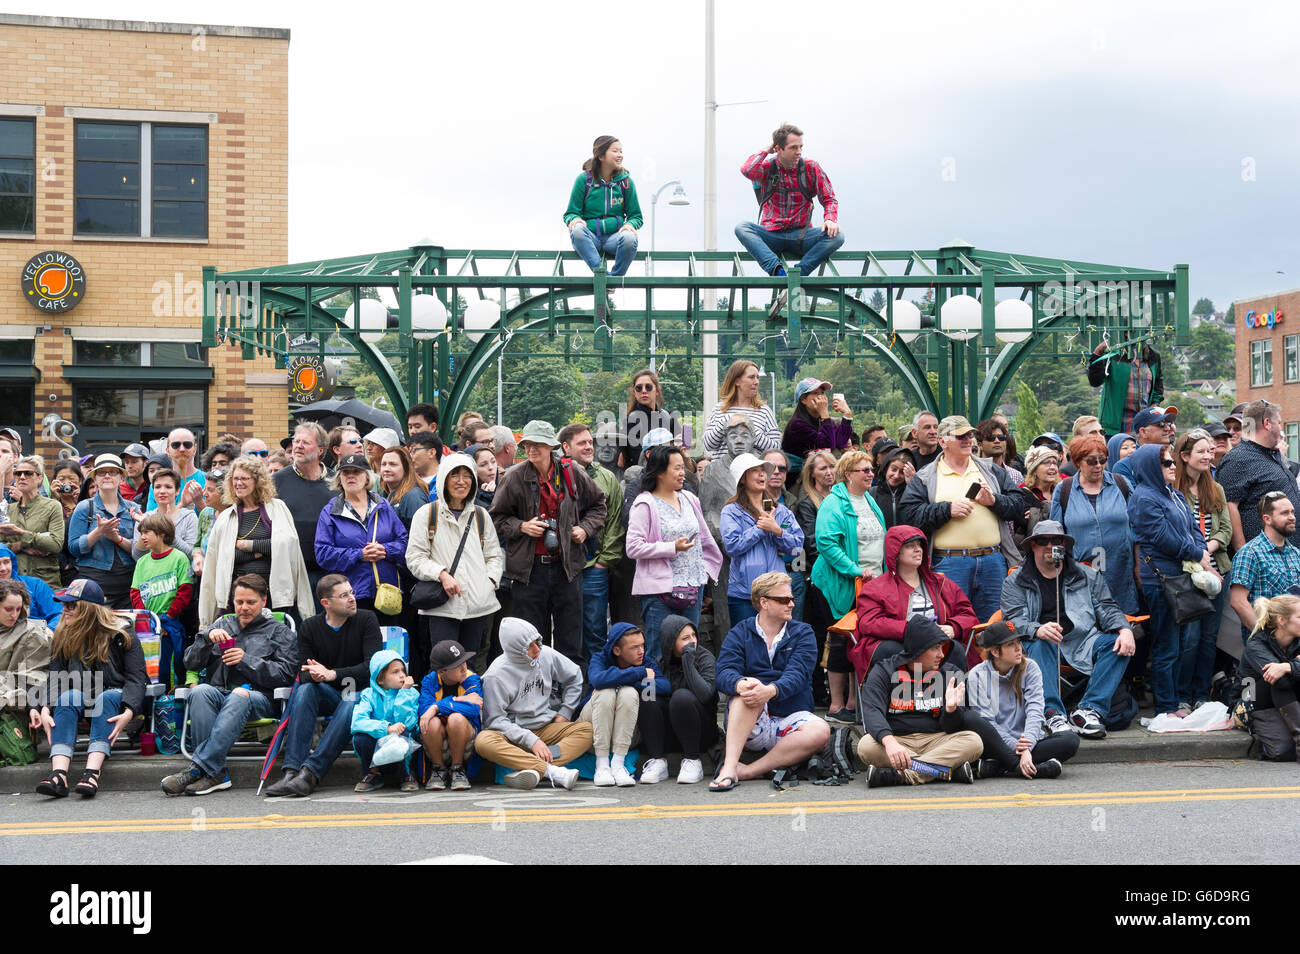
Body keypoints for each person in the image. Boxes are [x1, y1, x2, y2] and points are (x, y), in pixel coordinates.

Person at [162, 574, 297, 795]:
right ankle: (216, 772)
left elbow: (286, 675)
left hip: (259, 698)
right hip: (219, 693)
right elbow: (190, 663)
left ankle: (199, 768)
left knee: (238, 694)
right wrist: (205, 639)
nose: (244, 607)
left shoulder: (279, 631)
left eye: (251, 602)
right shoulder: (223, 624)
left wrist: (246, 660)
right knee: (201, 691)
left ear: (264, 601)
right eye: (239, 602)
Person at [488, 420, 606, 667]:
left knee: (571, 641)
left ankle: (570, 699)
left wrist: (584, 529)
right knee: (532, 641)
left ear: (550, 446)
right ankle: (535, 698)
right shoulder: (514, 477)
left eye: (538, 444)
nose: (531, 450)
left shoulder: (570, 470)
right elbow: (496, 518)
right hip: (530, 573)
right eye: (528, 444)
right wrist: (521, 526)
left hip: (567, 568)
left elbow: (598, 505)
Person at [1002, 520, 1136, 736]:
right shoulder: (1016, 580)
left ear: (1064, 546)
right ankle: (1052, 714)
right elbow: (1012, 620)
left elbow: (1106, 607)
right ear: (1032, 546)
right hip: (1039, 646)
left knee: (1117, 644)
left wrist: (1125, 629)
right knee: (1041, 642)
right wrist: (1037, 629)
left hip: (1082, 641)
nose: (1049, 545)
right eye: (1042, 541)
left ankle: (1087, 710)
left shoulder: (1086, 574)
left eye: (1056, 541)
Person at [899, 415, 1029, 622]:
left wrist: (994, 500)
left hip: (993, 561)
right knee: (951, 623)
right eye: (960, 436)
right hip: (949, 563)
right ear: (943, 441)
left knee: (993, 627)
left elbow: (1020, 505)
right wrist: (946, 510)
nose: (968, 439)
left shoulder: (991, 470)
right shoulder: (926, 476)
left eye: (969, 434)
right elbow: (909, 516)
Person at [265, 574, 383, 798]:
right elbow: (303, 673)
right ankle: (292, 772)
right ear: (326, 603)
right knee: (305, 689)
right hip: (326, 695)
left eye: (352, 593)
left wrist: (331, 674)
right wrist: (317, 677)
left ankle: (310, 773)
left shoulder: (366, 620)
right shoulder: (310, 627)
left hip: (361, 696)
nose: (352, 599)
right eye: (344, 595)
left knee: (352, 701)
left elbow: (372, 669)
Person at [710, 572, 829, 792]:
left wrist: (772, 690)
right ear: (764, 602)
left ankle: (747, 771)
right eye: (784, 600)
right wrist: (739, 684)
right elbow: (724, 671)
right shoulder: (741, 632)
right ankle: (729, 767)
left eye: (792, 598)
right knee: (747, 688)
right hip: (750, 722)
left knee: (821, 731)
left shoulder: (803, 632)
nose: (792, 604)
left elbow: (799, 674)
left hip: (791, 721)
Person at [35, 579, 146, 798]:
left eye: (71, 605)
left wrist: (129, 711)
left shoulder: (122, 634)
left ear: (88, 609)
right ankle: (58, 775)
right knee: (67, 698)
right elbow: (55, 677)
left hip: (114, 694)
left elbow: (136, 677)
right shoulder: (62, 634)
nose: (64, 609)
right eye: (64, 604)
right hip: (80, 693)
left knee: (106, 698)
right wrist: (45, 708)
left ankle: (92, 773)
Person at [1127, 445, 1211, 719]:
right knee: (1167, 645)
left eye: (1172, 461)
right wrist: (1198, 553)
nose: (1173, 466)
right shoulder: (1143, 498)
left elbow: (1192, 529)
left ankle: (1176, 701)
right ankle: (1166, 705)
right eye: (1165, 463)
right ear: (1151, 467)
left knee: (1183, 643)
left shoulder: (1173, 493)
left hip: (1182, 576)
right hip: (1162, 580)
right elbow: (1164, 537)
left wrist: (1202, 549)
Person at [406, 452, 503, 679]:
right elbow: (415, 557)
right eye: (455, 475)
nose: (461, 481)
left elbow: (494, 556)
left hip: (478, 604)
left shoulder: (481, 515)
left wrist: (488, 583)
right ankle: (439, 709)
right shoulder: (427, 514)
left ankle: (468, 710)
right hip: (442, 604)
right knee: (444, 664)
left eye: (467, 475)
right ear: (443, 480)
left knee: (470, 664)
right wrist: (441, 574)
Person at [856, 615, 981, 787]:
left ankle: (902, 775)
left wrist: (951, 710)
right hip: (898, 740)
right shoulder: (884, 670)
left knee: (974, 741)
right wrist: (890, 742)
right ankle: (943, 771)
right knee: (866, 745)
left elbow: (951, 727)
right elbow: (872, 711)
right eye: (935, 648)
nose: (941, 654)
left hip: (936, 740)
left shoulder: (950, 673)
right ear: (918, 650)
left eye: (942, 648)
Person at [625, 444, 723, 663]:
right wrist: (671, 548)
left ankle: (686, 695)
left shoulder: (690, 499)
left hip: (693, 588)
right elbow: (632, 547)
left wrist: (705, 571)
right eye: (677, 468)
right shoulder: (644, 503)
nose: (683, 473)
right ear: (660, 471)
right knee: (658, 650)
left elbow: (704, 539)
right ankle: (655, 695)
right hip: (660, 592)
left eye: (683, 467)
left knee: (689, 648)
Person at [853, 524, 980, 691]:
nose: (918, 550)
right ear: (896, 553)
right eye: (910, 546)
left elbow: (968, 614)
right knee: (893, 651)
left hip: (938, 641)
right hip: (898, 641)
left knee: (954, 649)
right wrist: (913, 631)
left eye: (920, 545)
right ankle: (906, 708)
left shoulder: (940, 583)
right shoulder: (876, 588)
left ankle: (952, 707)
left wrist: (953, 627)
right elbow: (869, 622)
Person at [811, 450, 888, 716]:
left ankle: (855, 703)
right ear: (848, 475)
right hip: (842, 583)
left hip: (872, 583)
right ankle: (836, 704)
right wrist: (855, 570)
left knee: (863, 640)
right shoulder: (833, 503)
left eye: (871, 469)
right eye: (864, 470)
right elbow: (827, 544)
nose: (870, 474)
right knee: (842, 638)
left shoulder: (869, 499)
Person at [474, 617, 592, 791]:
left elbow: (575, 675)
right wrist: (531, 740)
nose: (537, 649)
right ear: (515, 649)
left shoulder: (545, 654)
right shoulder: (496, 675)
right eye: (529, 646)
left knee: (586, 731)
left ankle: (529, 767)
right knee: (483, 741)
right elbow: (495, 721)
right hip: (512, 735)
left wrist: (565, 712)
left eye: (537, 642)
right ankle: (551, 771)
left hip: (545, 727)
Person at [200, 455, 314, 627]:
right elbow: (222, 560)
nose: (239, 483)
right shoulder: (225, 518)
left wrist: (248, 545)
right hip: (238, 601)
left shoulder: (277, 508)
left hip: (273, 597)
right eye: (235, 479)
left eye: (244, 478)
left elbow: (288, 548)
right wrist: (261, 552)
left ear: (258, 481)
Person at [735, 122, 843, 296]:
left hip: (801, 235)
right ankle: (778, 272)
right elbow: (747, 170)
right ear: (779, 149)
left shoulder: (811, 167)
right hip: (772, 233)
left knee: (837, 236)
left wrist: (830, 219)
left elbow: (829, 197)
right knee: (742, 227)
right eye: (793, 147)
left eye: (801, 147)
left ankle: (798, 274)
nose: (799, 152)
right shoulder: (767, 169)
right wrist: (766, 150)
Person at [964, 621, 1078, 779]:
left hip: (1030, 741)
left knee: (1070, 740)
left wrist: (1027, 746)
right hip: (998, 744)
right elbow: (988, 723)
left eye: (1019, 642)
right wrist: (1018, 747)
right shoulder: (977, 675)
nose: (1019, 648)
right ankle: (1029, 767)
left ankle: (997, 767)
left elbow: (1036, 710)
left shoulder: (1030, 667)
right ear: (996, 652)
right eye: (1011, 644)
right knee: (974, 724)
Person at [314, 453, 408, 628]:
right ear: (339, 478)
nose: (350, 476)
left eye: (356, 472)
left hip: (386, 593)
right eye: (345, 472)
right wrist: (359, 555)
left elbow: (404, 542)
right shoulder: (330, 512)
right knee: (356, 649)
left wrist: (386, 550)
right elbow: (322, 554)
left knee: (387, 648)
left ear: (366, 477)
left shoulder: (383, 506)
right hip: (351, 595)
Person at [1173, 429, 1231, 710]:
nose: (1209, 456)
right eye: (1202, 452)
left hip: (1218, 570)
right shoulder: (1173, 490)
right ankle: (1182, 695)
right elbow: (1177, 533)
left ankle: (1200, 695)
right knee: (1190, 638)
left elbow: (1225, 530)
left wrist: (1206, 550)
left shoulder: (1215, 488)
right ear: (1184, 456)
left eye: (1210, 451)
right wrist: (1197, 556)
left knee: (1209, 637)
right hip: (1187, 574)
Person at [559, 423, 625, 669]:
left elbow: (616, 522)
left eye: (590, 442)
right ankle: (569, 685)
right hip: (562, 566)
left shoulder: (606, 478)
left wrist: (603, 561)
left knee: (595, 628)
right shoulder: (555, 475)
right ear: (566, 447)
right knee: (566, 627)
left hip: (594, 566)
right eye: (582, 443)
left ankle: (595, 684)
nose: (589, 447)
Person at [1051, 435, 1138, 616]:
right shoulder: (1064, 489)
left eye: (1102, 459)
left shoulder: (1121, 484)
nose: (1098, 465)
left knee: (1124, 628)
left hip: (1121, 573)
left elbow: (1138, 526)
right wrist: (1056, 572)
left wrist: (1138, 565)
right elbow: (1055, 535)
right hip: (1080, 576)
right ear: (1077, 462)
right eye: (1091, 461)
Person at [720, 454, 804, 625]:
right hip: (744, 594)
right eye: (754, 471)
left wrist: (777, 531)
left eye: (763, 471)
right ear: (742, 479)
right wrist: (760, 529)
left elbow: (797, 546)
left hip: (777, 593)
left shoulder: (781, 511)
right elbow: (732, 546)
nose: (762, 474)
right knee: (748, 645)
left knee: (778, 645)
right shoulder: (731, 511)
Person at [581, 622, 666, 787]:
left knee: (628, 692)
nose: (641, 651)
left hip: (627, 738)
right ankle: (602, 765)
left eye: (642, 645)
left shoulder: (645, 661)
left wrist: (626, 683)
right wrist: (638, 674)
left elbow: (664, 686)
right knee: (605, 692)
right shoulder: (600, 658)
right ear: (617, 650)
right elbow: (598, 679)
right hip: (590, 735)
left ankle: (618, 764)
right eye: (635, 647)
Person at [641, 615, 718, 785]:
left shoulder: (705, 659)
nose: (692, 642)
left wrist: (688, 663)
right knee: (648, 696)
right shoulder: (661, 662)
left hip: (701, 733)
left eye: (694, 635)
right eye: (685, 638)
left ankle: (693, 761)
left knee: (681, 697)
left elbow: (705, 694)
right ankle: (658, 761)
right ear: (670, 643)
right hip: (671, 732)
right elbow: (647, 694)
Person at [1217, 399, 1300, 550]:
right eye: (1279, 423)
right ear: (1267, 423)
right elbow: (1229, 506)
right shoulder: (1238, 458)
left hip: (1289, 552)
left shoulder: (1272, 454)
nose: (1281, 428)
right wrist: (1243, 552)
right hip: (1264, 557)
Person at [129, 512, 193, 690]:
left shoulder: (179, 558)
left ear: (162, 534)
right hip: (148, 627)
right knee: (148, 672)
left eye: (146, 532)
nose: (142, 537)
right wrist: (148, 620)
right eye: (141, 532)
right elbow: (135, 593)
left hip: (170, 626)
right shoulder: (142, 562)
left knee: (169, 669)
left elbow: (185, 591)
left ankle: (170, 710)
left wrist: (167, 618)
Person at [67, 454, 140, 610]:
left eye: (113, 472)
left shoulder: (134, 508)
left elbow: (141, 549)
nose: (107, 476)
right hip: (93, 585)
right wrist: (98, 532)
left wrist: (116, 538)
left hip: (128, 584)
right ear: (95, 478)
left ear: (122, 477)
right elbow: (73, 548)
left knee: (125, 632)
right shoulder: (84, 507)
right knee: (94, 632)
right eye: (102, 472)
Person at [563, 135, 642, 277]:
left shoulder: (626, 182)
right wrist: (574, 219)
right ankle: (602, 275)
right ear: (601, 156)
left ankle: (614, 280)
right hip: (591, 237)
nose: (620, 155)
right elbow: (570, 213)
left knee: (630, 238)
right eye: (615, 151)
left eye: (621, 151)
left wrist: (630, 224)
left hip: (615, 237)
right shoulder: (584, 180)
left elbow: (636, 216)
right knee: (578, 230)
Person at [794, 449, 836, 706]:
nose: (829, 472)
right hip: (820, 576)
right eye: (822, 468)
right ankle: (818, 691)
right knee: (819, 633)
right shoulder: (807, 504)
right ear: (812, 474)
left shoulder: (842, 498)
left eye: (832, 467)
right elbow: (811, 542)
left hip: (843, 575)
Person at [272, 422, 335, 591]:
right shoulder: (276, 481)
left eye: (305, 442)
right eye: (296, 441)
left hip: (330, 571)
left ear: (320, 450)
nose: (298, 446)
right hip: (291, 571)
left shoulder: (337, 481)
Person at [350, 649, 420, 792]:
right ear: (380, 679)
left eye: (403, 671)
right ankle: (373, 774)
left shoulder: (411, 693)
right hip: (378, 749)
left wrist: (404, 693)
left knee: (405, 730)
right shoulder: (368, 694)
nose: (402, 675)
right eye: (395, 672)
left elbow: (408, 722)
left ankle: (406, 774)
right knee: (360, 737)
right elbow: (357, 721)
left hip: (403, 749)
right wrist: (386, 728)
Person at [1229, 492, 1300, 634]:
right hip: (1266, 646)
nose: (1292, 517)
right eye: (1285, 513)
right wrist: (1266, 640)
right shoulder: (1250, 553)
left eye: (1292, 512)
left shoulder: (1296, 554)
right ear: (1267, 519)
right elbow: (1238, 602)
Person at [1240, 594, 1300, 760]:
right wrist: (1295, 665)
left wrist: (1287, 666)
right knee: (1283, 752)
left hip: (1284, 698)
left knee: (1285, 677)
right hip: (1250, 698)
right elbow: (1279, 680)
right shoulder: (1256, 644)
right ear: (1282, 621)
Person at [418, 639, 483, 791]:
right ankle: (438, 769)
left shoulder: (471, 678)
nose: (463, 667)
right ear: (442, 672)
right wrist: (457, 700)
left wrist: (437, 706)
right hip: (436, 742)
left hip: (465, 741)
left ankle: (457, 769)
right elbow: (424, 712)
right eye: (457, 665)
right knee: (431, 722)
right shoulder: (429, 681)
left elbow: (474, 709)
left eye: (464, 661)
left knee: (456, 719)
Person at [0, 579, 50, 766]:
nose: (14, 614)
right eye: (8, 609)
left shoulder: (32, 633)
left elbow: (33, 680)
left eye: (18, 609)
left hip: (14, 711)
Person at [0, 456, 64, 588]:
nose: (22, 477)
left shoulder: (52, 506)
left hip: (45, 581)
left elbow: (55, 544)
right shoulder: (8, 509)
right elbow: (1, 546)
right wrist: (20, 546)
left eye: (28, 473)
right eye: (18, 473)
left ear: (39, 478)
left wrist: (21, 533)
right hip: (14, 584)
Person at [703, 359, 781, 460]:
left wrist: (750, 429)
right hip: (722, 474)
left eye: (757, 377)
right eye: (751, 377)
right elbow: (708, 445)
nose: (756, 382)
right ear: (737, 381)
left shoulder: (764, 411)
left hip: (753, 473)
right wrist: (728, 420)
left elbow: (776, 449)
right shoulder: (719, 409)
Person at [1088, 338, 1164, 436]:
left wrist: (1155, 404)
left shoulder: (1153, 357)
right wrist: (1097, 353)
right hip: (1115, 426)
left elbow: (1158, 384)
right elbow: (1095, 381)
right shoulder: (1114, 355)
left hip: (1143, 427)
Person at [781, 377, 855, 461]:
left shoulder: (822, 421)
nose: (821, 397)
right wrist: (824, 414)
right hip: (801, 473)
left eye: (822, 393)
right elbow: (826, 448)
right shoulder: (797, 425)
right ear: (804, 400)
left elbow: (840, 443)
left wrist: (847, 415)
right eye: (816, 393)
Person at [619, 369, 680, 469]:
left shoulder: (670, 417)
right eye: (639, 388)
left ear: (657, 391)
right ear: (634, 393)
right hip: (643, 476)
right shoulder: (630, 421)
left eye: (648, 387)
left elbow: (680, 450)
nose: (643, 391)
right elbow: (637, 456)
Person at [134, 468, 198, 558]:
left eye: (168, 487)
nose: (162, 491)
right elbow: (137, 556)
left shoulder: (189, 517)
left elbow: (191, 554)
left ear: (177, 491)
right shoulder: (144, 518)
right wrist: (145, 529)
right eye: (157, 487)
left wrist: (167, 529)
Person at [1111, 405, 1177, 485]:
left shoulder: (1173, 458)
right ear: (1143, 432)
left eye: (1168, 423)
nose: (1168, 428)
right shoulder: (1125, 466)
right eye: (1161, 424)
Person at [0, 544, 61, 629]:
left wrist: (47, 633)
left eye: (6, 562)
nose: (3, 568)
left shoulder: (35, 585)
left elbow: (58, 615)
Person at [146, 427, 205, 512]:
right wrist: (182, 504)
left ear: (194, 450)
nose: (181, 449)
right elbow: (152, 521)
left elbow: (214, 522)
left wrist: (199, 502)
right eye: (175, 445)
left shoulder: (207, 480)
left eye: (187, 445)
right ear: (168, 451)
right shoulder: (158, 484)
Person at [1015, 445, 1061, 551]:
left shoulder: (1061, 493)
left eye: (1054, 463)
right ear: (1034, 470)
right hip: (1034, 551)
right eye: (1046, 463)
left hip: (1058, 548)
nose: (1053, 467)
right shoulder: (1022, 495)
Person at [50, 460, 84, 586]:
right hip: (58, 567)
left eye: (71, 478)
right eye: (61, 479)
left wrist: (80, 500)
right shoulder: (50, 504)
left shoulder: (87, 504)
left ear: (80, 480)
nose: (66, 483)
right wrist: (54, 498)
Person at [378, 447, 429, 527]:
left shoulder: (414, 496)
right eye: (383, 464)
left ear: (406, 468)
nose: (386, 469)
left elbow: (419, 533)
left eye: (393, 464)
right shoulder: (390, 494)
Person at [872, 445, 917, 528]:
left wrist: (913, 485)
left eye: (902, 472)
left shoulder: (913, 494)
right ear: (886, 468)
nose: (896, 476)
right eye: (893, 469)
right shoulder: (872, 493)